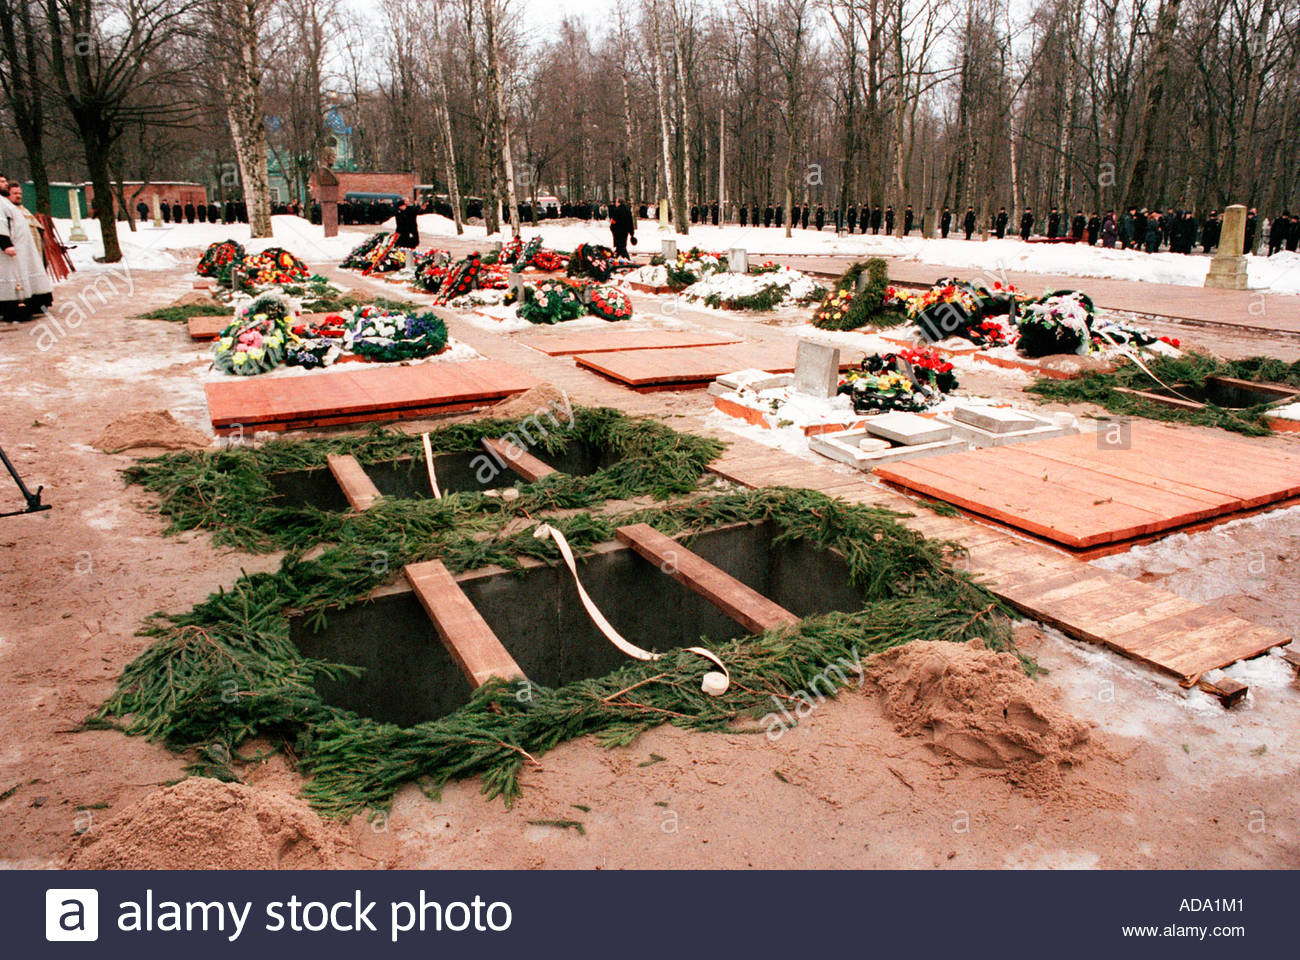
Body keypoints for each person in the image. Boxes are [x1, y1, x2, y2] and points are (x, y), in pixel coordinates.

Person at [0, 174, 54, 322]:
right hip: (9, 252)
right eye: (2, 182)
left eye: (5, 181)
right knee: (12, 282)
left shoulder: (5, 202)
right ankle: (14, 311)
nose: (5, 184)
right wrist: (5, 245)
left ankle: (34, 304)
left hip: (21, 249)